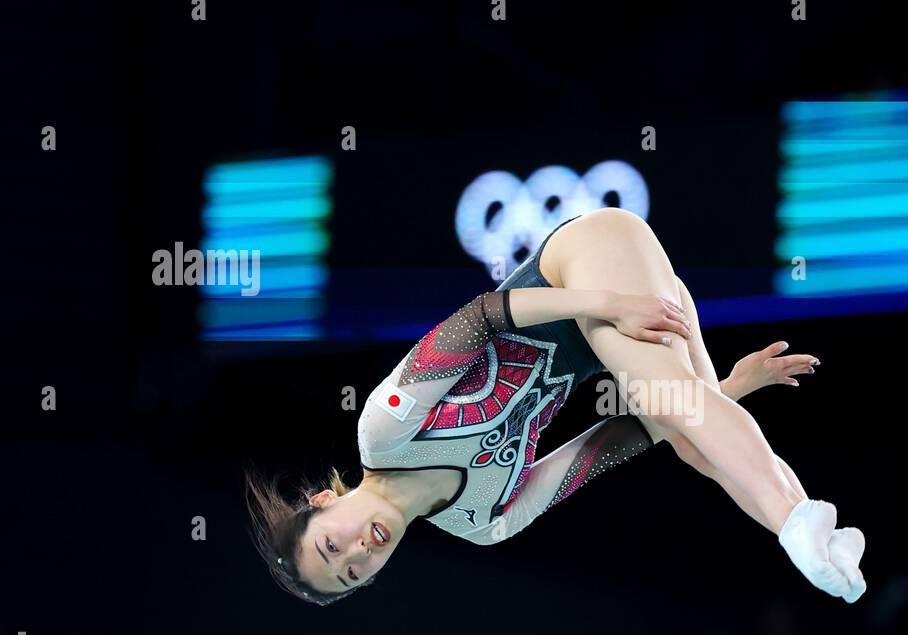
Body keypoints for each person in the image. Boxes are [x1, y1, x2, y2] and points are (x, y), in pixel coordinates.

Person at [247, 208, 867, 605]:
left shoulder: (382, 431)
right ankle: (822, 536)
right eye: (353, 573)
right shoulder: (484, 523)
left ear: (323, 502)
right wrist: (730, 388)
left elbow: (483, 315)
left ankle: (796, 524)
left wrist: (603, 300)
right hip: (613, 330)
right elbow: (613, 442)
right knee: (690, 445)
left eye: (332, 546)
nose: (358, 553)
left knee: (671, 401)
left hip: (579, 262)